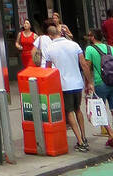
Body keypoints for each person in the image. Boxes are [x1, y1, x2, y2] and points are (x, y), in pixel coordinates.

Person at [41, 22, 93, 152]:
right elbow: (84, 64)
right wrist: (89, 82)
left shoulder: (49, 49)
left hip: (63, 84)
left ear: (50, 36)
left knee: (69, 111)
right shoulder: (74, 45)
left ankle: (80, 142)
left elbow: (47, 69)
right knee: (78, 109)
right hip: (77, 83)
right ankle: (84, 137)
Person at [85, 29, 113, 149]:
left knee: (100, 110)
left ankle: (111, 135)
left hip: (99, 82)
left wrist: (88, 83)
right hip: (112, 81)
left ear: (92, 37)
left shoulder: (90, 49)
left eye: (89, 36)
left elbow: (87, 67)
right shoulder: (110, 48)